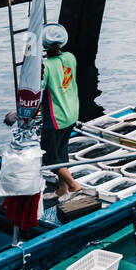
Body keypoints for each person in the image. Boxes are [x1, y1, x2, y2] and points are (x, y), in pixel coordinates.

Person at [40, 23, 83, 197]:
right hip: (72, 112)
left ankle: (73, 185)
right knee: (61, 151)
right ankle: (62, 188)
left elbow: (38, 88)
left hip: (56, 117)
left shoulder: (46, 66)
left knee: (49, 157)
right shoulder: (70, 57)